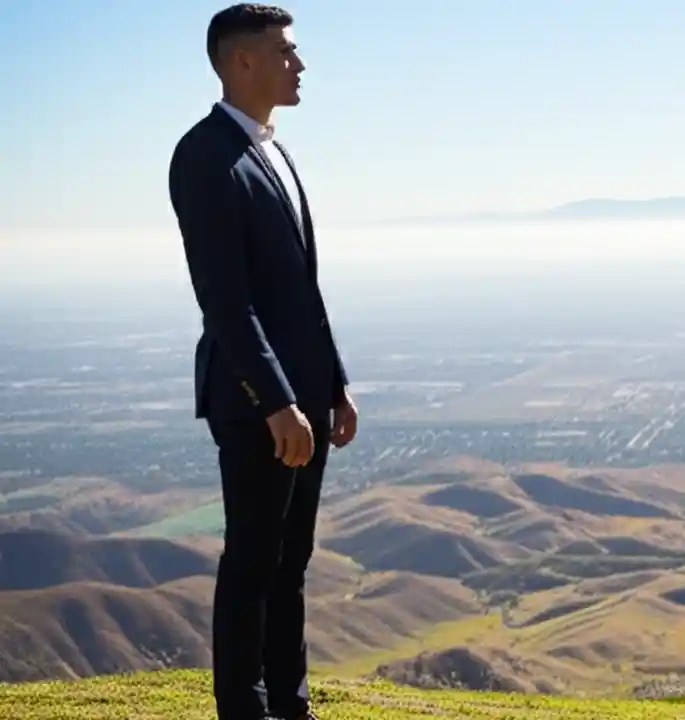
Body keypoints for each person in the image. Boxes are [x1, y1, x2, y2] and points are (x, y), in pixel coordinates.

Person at [167, 4, 357, 719]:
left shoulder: (274, 151)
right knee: (251, 565)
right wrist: (277, 401)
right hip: (258, 406)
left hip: (306, 401)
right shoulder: (204, 155)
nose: (299, 65)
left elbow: (301, 291)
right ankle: (243, 709)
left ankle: (291, 703)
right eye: (286, 52)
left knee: (292, 565)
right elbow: (226, 299)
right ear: (241, 61)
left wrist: (335, 384)